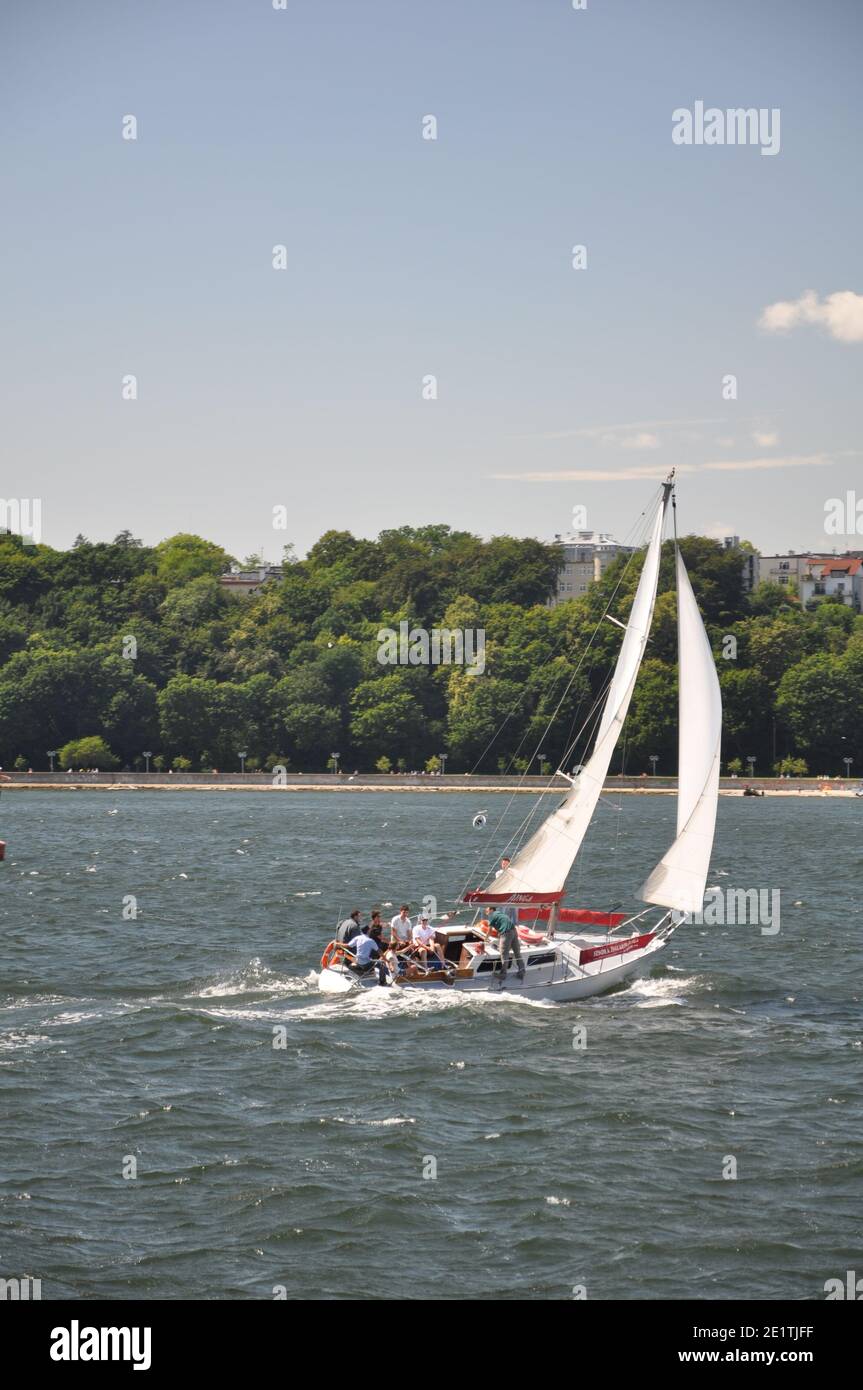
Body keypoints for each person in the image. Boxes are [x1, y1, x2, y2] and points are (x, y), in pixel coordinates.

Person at [490, 907, 525, 986]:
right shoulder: (502, 915)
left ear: (491, 910)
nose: (487, 912)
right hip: (514, 931)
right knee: (517, 952)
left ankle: (503, 974)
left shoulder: (493, 916)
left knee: (504, 953)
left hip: (506, 934)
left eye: (487, 911)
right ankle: (522, 971)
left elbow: (489, 930)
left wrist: (485, 939)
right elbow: (502, 925)